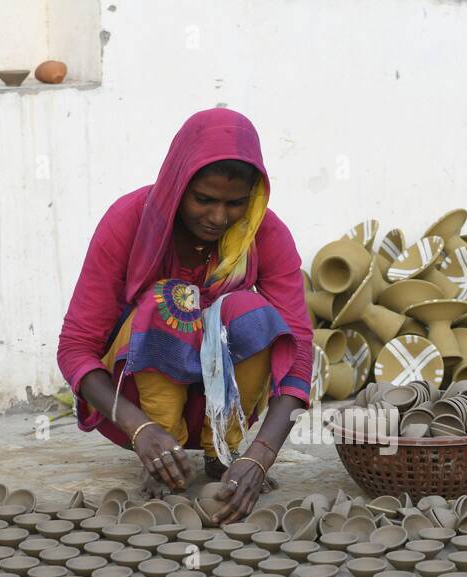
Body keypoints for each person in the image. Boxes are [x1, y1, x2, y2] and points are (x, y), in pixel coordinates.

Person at [57, 109, 313, 524]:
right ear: (178, 184)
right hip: (137, 405)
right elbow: (75, 349)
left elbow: (299, 352)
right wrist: (140, 428)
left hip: (219, 407)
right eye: (204, 199)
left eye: (235, 203)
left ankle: (223, 452)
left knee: (250, 312)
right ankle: (163, 454)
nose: (218, 218)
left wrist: (261, 454)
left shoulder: (264, 233)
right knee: (173, 300)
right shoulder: (128, 221)